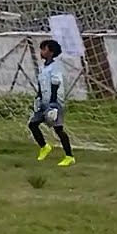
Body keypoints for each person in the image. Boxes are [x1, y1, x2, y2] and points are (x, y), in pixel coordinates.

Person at [28, 39, 75, 167]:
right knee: (32, 124)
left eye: (44, 49)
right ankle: (44, 147)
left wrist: (53, 104)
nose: (41, 52)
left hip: (54, 103)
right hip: (43, 102)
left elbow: (55, 84)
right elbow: (41, 84)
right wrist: (38, 98)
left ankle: (69, 156)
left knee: (58, 129)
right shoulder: (43, 67)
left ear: (51, 52)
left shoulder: (56, 67)